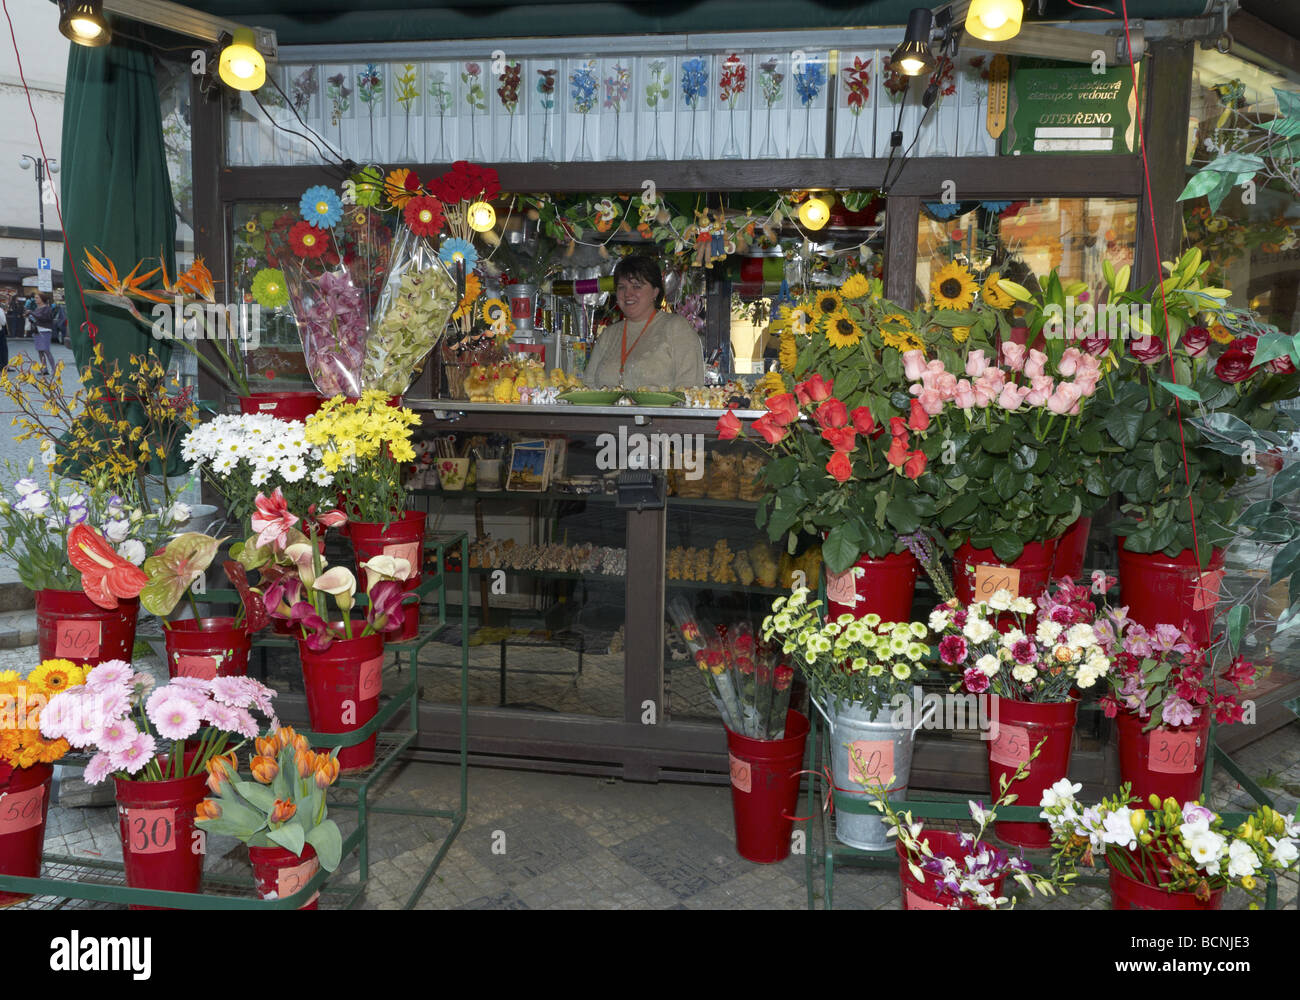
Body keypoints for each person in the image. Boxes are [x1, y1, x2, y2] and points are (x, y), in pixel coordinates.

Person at [582, 255, 706, 388]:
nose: (627, 294)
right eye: (622, 287)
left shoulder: (676, 328)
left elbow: (691, 389)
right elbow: (588, 386)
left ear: (655, 292)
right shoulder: (609, 335)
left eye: (636, 286)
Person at [30, 292, 55, 372]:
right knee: (40, 351)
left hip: (45, 331)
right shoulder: (37, 309)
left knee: (46, 350)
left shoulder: (47, 308)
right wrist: (30, 317)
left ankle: (54, 369)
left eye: (37, 298)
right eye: (35, 298)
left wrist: (32, 313)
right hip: (37, 330)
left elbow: (43, 318)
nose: (35, 299)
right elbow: (35, 319)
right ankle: (44, 369)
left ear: (42, 299)